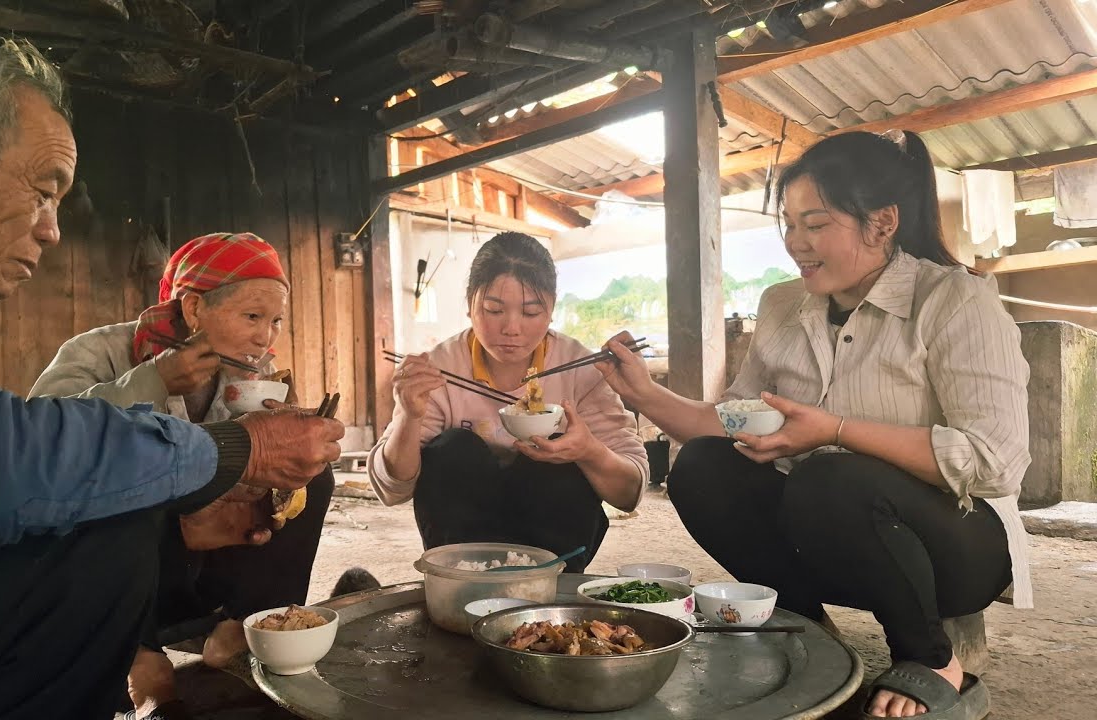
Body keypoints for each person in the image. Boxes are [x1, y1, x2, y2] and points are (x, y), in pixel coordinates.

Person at [0, 33, 343, 720]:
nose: (51, 230)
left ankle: (231, 628)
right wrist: (234, 451)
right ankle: (143, 655)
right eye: (43, 191)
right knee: (99, 527)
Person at [598, 131, 1030, 720]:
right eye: (789, 224)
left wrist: (836, 429)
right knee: (702, 465)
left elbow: (995, 460)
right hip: (826, 534)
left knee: (831, 476)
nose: (796, 244)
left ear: (881, 224)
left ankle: (932, 660)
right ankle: (812, 632)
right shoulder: (782, 306)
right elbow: (731, 422)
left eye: (816, 224)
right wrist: (641, 392)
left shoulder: (954, 300)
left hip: (954, 546)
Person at [32, 232, 373, 716]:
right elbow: (41, 440)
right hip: (123, 572)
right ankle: (139, 659)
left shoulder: (251, 373)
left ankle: (241, 624)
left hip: (212, 557)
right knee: (140, 471)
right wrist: (154, 380)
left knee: (308, 476)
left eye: (275, 321)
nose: (265, 337)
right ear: (193, 310)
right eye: (252, 317)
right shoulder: (101, 351)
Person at [368, 232, 648, 571]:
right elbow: (392, 488)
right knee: (453, 449)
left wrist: (589, 451)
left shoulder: (581, 368)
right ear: (470, 304)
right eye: (493, 309)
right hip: (463, 541)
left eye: (531, 312)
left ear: (552, 310)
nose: (511, 328)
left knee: (561, 457)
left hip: (553, 540)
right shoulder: (439, 368)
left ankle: (552, 589)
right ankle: (463, 582)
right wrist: (409, 418)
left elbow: (630, 491)